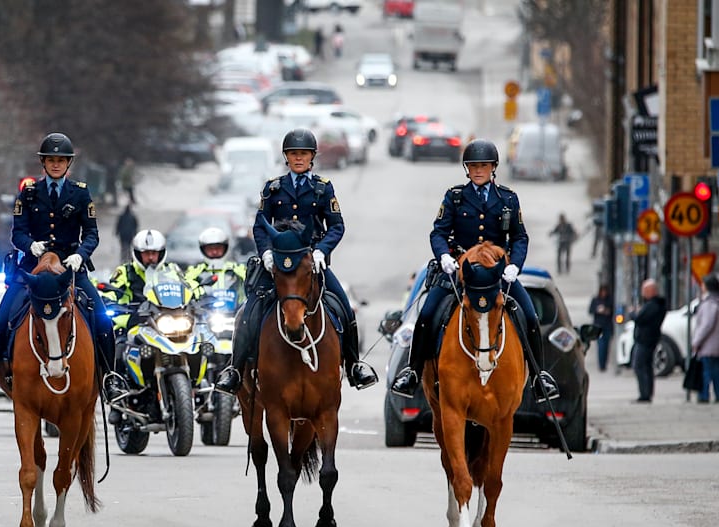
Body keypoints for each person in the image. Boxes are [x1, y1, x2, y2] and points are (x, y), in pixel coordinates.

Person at [213, 127, 379, 395]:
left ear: (312, 157)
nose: (298, 158)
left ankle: (353, 365)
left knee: (344, 307)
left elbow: (336, 226)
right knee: (249, 311)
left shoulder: (323, 188)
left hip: (310, 263)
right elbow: (259, 226)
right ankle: (236, 369)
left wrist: (321, 251)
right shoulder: (273, 188)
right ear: (286, 157)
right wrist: (266, 253)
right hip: (278, 262)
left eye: (303, 154)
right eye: (293, 154)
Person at [0, 132, 129, 403]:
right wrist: (30, 246)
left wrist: (80, 254)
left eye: (61, 160)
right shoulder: (29, 193)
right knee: (2, 317)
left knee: (102, 317)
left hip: (69, 268)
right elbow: (17, 233)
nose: (55, 164)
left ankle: (110, 376)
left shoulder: (80, 192)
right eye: (50, 160)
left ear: (68, 164)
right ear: (43, 163)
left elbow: (92, 234)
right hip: (33, 269)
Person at [390, 139, 559, 400]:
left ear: (493, 167)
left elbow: (519, 237)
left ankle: (539, 377)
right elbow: (439, 232)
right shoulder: (455, 197)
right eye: (473, 166)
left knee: (529, 317)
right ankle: (412, 372)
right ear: (466, 169)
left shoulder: (508, 199)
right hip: (461, 270)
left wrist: (515, 265)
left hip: (496, 273)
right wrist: (444, 256)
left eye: (484, 165)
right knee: (427, 315)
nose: (478, 170)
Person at [691, 273, 719, 403]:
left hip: (709, 345)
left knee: (707, 372)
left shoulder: (710, 304)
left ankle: (704, 395)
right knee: (716, 371)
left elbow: (706, 325)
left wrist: (697, 341)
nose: (701, 287)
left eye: (703, 285)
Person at [183, 227, 247, 308]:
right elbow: (186, 285)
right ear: (203, 249)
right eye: (210, 249)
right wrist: (197, 291)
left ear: (225, 248)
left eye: (218, 248)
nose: (214, 252)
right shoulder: (194, 271)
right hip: (204, 314)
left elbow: (250, 281)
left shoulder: (238, 268)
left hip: (236, 313)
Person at [630, 278, 668, 403]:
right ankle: (646, 392)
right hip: (648, 338)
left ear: (651, 291)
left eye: (644, 290)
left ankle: (645, 394)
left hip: (646, 339)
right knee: (646, 366)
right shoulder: (654, 304)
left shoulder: (653, 305)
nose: (642, 293)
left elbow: (640, 319)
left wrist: (633, 314)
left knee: (640, 366)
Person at [588, 283, 614, 373]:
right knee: (601, 345)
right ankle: (601, 365)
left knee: (606, 345)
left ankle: (604, 363)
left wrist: (607, 311)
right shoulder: (595, 300)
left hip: (607, 325)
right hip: (598, 325)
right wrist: (597, 310)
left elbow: (612, 312)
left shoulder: (610, 300)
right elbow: (591, 310)